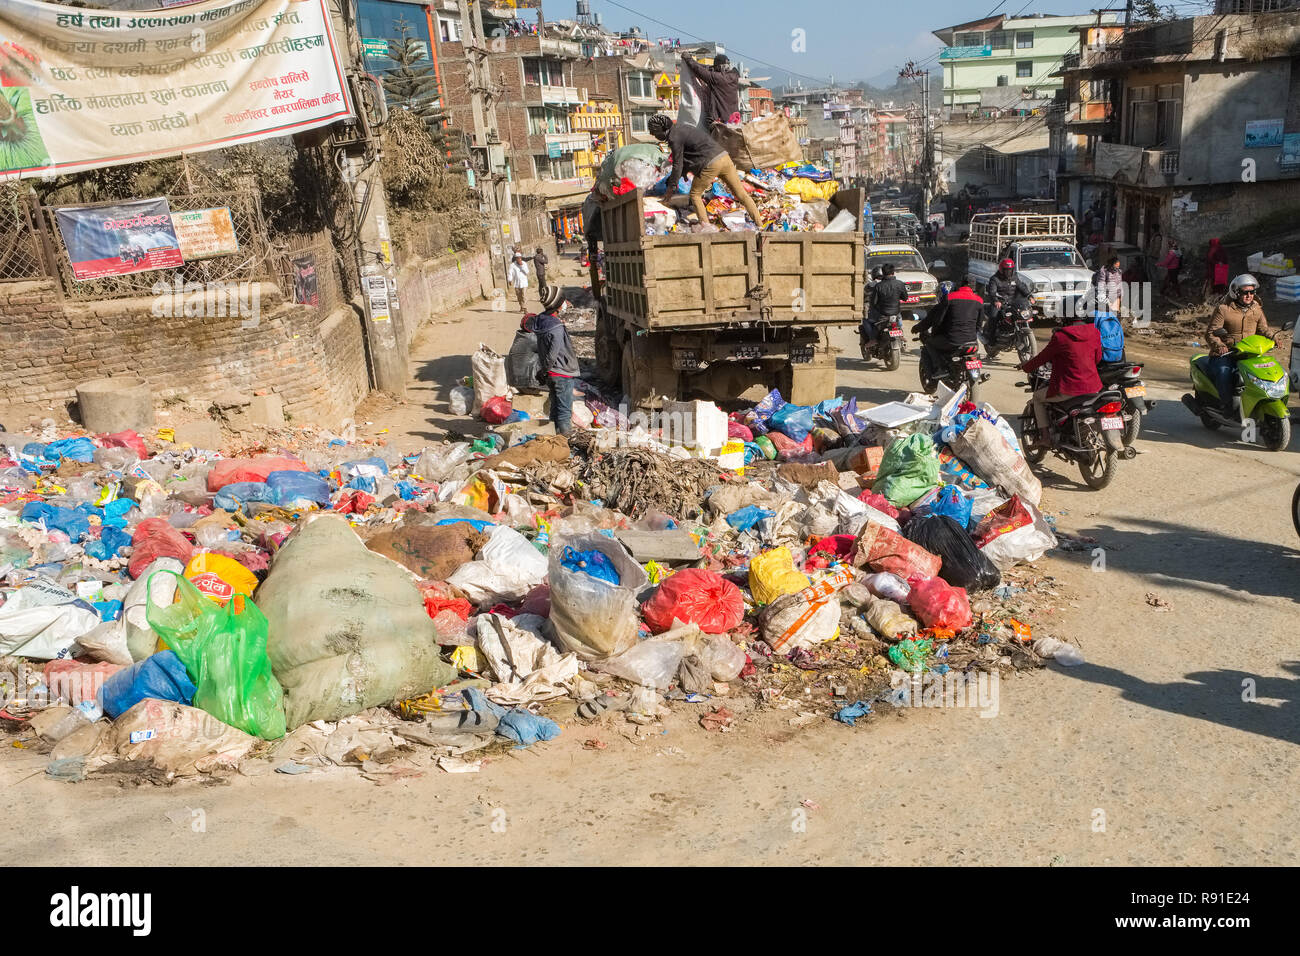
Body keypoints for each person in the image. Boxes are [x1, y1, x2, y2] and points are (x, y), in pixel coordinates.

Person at [648, 114, 762, 228]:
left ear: (661, 130)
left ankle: (707, 229)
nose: (654, 135)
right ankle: (760, 225)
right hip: (724, 158)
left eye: (654, 133)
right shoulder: (682, 128)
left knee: (695, 195)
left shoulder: (674, 137)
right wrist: (683, 174)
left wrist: (670, 189)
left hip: (710, 163)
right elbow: (691, 153)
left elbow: (678, 164)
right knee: (741, 194)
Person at [1019, 312, 1104, 440]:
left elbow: (1042, 358)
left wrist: (1026, 367)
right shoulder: (1095, 333)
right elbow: (1097, 359)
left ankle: (1046, 438)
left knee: (1037, 398)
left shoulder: (1060, 337)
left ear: (1064, 319)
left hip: (1069, 389)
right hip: (1093, 388)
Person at [1205, 273, 1271, 413]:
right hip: (1226, 354)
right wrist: (1220, 345)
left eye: (1252, 292)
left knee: (1267, 370)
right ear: (1235, 293)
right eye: (1245, 292)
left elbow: (1264, 330)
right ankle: (1227, 405)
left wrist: (1274, 338)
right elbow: (1211, 333)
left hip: (1249, 354)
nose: (1249, 295)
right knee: (1224, 372)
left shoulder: (1257, 309)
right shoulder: (1224, 309)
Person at [522, 285, 579, 435]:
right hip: (562, 373)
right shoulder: (557, 327)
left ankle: (554, 439)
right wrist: (545, 369)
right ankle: (566, 444)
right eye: (563, 301)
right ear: (558, 305)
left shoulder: (542, 321)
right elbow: (553, 354)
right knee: (565, 412)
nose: (566, 303)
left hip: (551, 375)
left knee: (555, 410)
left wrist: (544, 372)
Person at [914, 279, 982, 373]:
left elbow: (937, 321)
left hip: (952, 341)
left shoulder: (949, 299)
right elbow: (979, 325)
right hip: (972, 342)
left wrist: (933, 333)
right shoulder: (979, 300)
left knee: (929, 344)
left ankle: (940, 369)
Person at [680, 53, 740, 134]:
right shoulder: (734, 76)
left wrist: (688, 59)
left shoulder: (716, 78)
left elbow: (699, 70)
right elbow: (708, 68)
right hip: (734, 120)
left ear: (719, 67)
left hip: (720, 122)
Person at [861, 262, 909, 357]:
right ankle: (901, 335)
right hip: (896, 314)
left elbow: (873, 303)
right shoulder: (900, 284)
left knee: (865, 320)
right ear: (893, 272)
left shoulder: (878, 286)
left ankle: (873, 339)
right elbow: (905, 298)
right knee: (898, 320)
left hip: (882, 316)